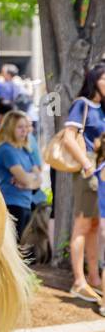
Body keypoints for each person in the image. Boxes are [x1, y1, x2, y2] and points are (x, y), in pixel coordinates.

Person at [61, 63, 105, 301]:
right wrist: (86, 165)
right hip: (90, 171)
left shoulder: (101, 108)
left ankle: (94, 277)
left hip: (102, 171)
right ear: (95, 81)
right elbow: (69, 137)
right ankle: (79, 280)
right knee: (82, 224)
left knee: (95, 226)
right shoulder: (83, 104)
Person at [0, 110, 41, 240]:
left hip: (26, 203)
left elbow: (39, 179)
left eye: (26, 127)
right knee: (15, 246)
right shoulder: (6, 150)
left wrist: (28, 184)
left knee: (22, 245)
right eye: (20, 127)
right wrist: (29, 180)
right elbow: (24, 178)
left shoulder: (25, 149)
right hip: (12, 204)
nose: (24, 131)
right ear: (10, 128)